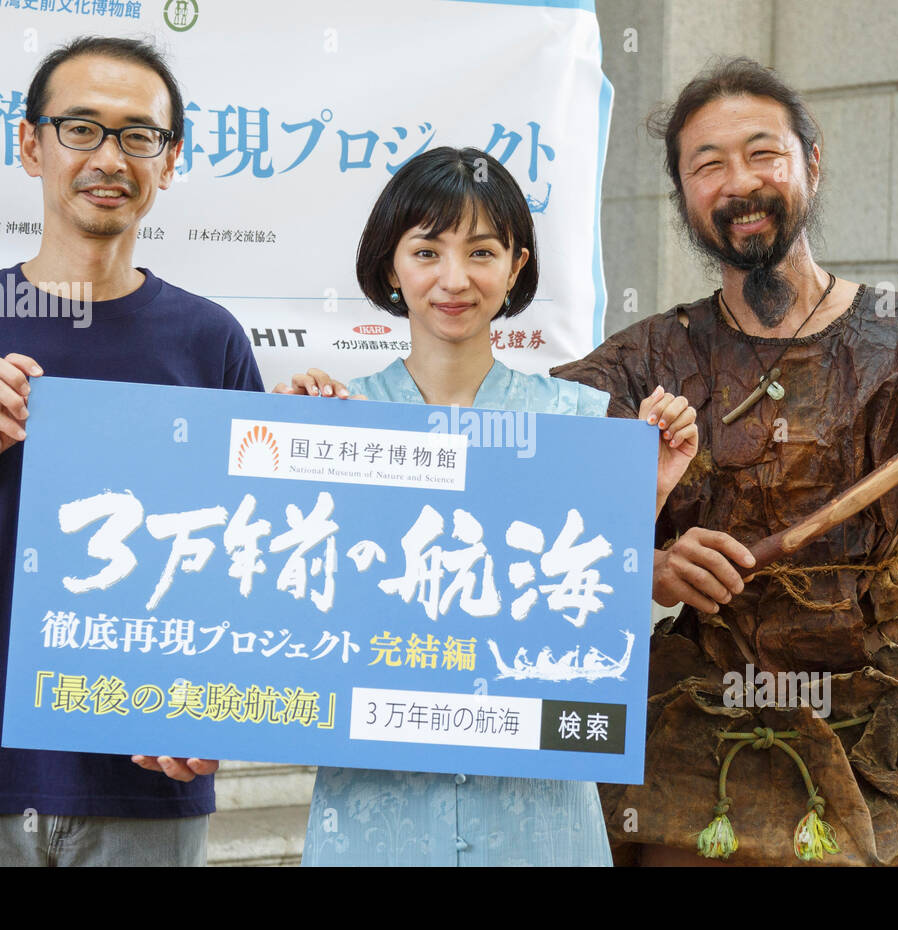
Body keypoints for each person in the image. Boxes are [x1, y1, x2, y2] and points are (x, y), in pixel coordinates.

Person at [552, 57, 898, 867]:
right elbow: (534, 517)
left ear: (810, 164)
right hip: (701, 703)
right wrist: (646, 566)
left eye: (763, 153)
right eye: (707, 165)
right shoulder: (647, 357)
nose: (739, 182)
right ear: (683, 196)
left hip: (872, 713)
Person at [0, 36, 263, 866]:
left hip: (148, 784)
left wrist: (214, 712)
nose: (110, 157)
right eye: (82, 129)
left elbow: (252, 569)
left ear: (170, 161)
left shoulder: (210, 341)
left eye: (139, 135)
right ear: (32, 144)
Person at [273, 145, 696, 865]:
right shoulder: (339, 420)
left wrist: (646, 493)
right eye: (427, 250)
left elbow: (599, 636)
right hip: (376, 817)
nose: (454, 279)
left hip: (539, 820)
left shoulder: (579, 425)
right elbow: (286, 622)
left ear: (516, 267)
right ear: (389, 266)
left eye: (482, 251)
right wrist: (282, 464)